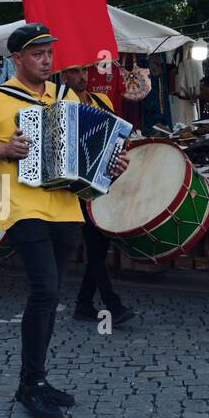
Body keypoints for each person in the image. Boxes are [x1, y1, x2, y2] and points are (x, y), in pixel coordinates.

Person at [0, 23, 128, 418]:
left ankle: (35, 380)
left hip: (67, 209)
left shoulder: (67, 96)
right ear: (17, 59)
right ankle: (31, 386)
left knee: (50, 298)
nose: (47, 60)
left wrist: (113, 164)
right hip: (23, 208)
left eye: (50, 52)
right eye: (37, 54)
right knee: (44, 291)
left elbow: (96, 151)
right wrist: (3, 148)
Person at [58, 64, 135, 327]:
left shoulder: (101, 100)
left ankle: (83, 303)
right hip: (75, 186)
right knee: (95, 243)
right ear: (64, 75)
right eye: (76, 72)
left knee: (99, 246)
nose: (82, 77)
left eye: (85, 72)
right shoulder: (58, 101)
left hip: (102, 181)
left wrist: (119, 153)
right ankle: (113, 304)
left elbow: (118, 134)